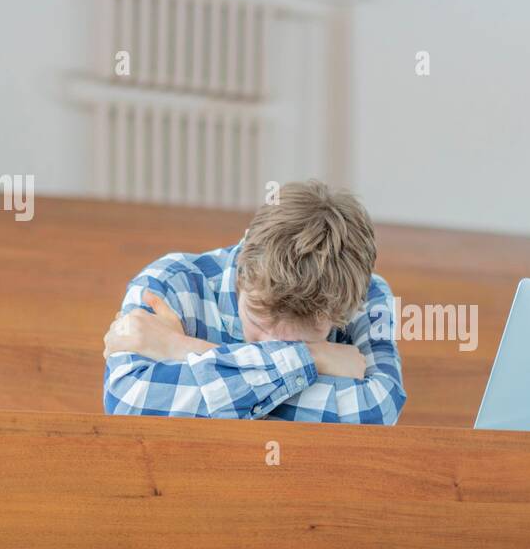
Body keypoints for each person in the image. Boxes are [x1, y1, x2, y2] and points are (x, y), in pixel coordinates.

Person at [103, 180, 405, 424]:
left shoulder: (366, 294)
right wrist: (313, 359)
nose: (272, 345)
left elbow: (378, 410)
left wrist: (183, 349)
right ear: (243, 266)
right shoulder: (169, 281)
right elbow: (129, 403)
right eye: (261, 323)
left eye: (301, 342)